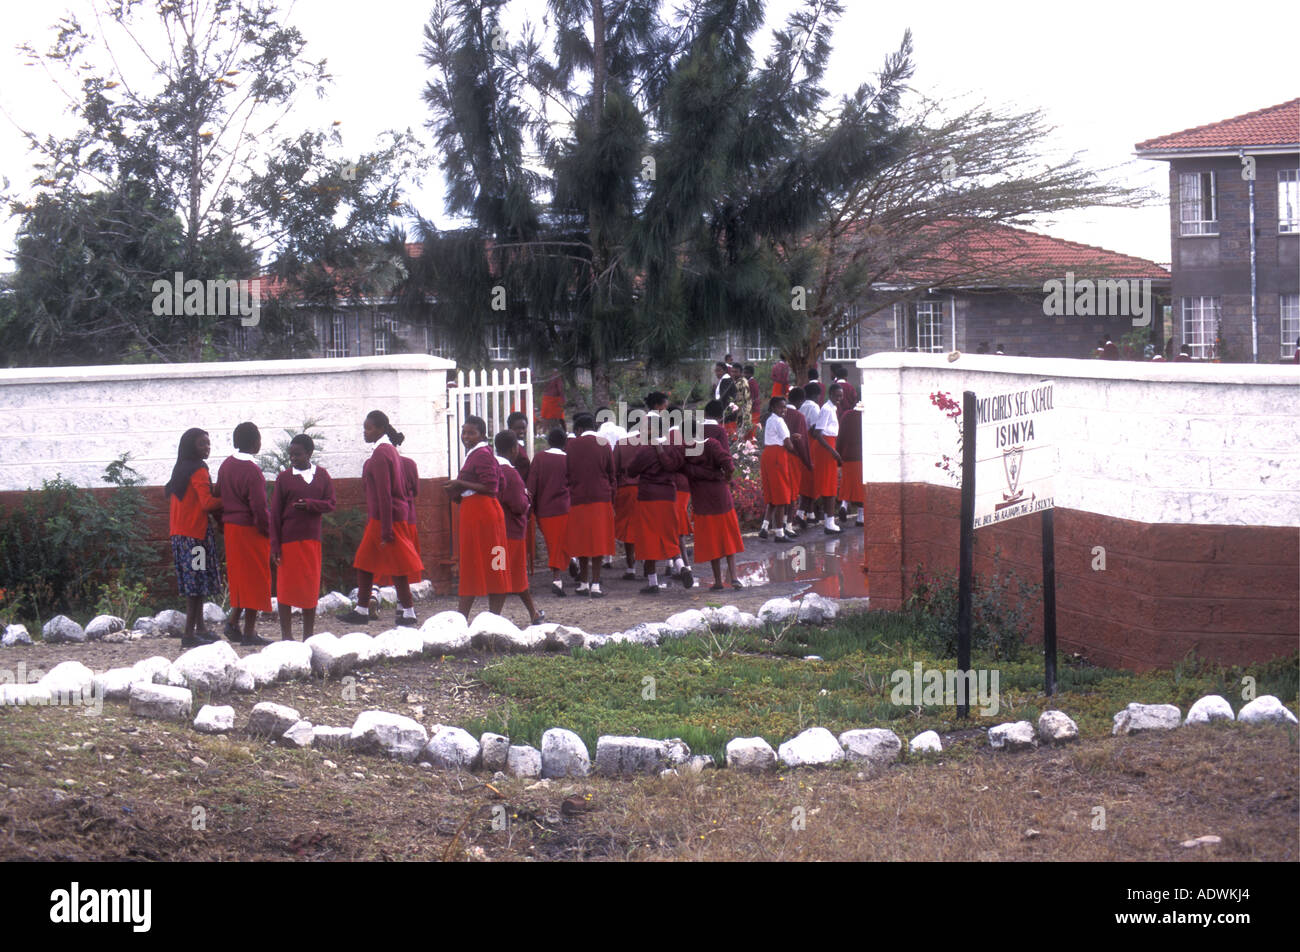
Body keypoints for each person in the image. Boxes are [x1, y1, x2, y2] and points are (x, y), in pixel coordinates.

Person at [336, 410, 422, 626]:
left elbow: (384, 493)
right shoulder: (389, 450)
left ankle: (367, 609)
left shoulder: (380, 454)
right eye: (365, 428)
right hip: (393, 515)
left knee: (371, 562)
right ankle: (373, 609)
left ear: (381, 429)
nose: (365, 432)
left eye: (369, 428)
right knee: (377, 563)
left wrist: (385, 529)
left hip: (384, 518)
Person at [269, 434, 337, 641]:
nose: (293, 458)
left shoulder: (322, 476)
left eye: (297, 454)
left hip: (311, 541)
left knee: (309, 587)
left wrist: (310, 504)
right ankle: (287, 637)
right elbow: (275, 514)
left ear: (309, 453)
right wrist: (275, 545)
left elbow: (331, 503)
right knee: (285, 588)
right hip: (289, 541)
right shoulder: (284, 478)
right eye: (291, 454)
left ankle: (308, 636)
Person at [443, 415, 510, 618]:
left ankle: (466, 618)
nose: (466, 437)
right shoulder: (480, 453)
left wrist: (461, 485)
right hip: (480, 512)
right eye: (464, 432)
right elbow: (502, 481)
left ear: (482, 435)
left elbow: (492, 486)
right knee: (492, 563)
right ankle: (489, 617)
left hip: (482, 514)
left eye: (471, 433)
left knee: (481, 564)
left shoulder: (481, 454)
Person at [626, 394, 693, 592]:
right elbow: (677, 466)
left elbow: (631, 471)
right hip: (669, 495)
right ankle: (682, 566)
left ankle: (653, 583)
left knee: (648, 539)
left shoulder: (645, 450)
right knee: (670, 535)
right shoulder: (673, 447)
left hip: (648, 497)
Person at [217, 422, 274, 646]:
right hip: (250, 529)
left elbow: (219, 493)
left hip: (231, 529)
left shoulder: (226, 465)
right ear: (254, 443)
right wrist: (268, 530)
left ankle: (233, 623)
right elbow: (259, 507)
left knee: (240, 578)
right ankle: (249, 632)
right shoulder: (253, 471)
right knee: (256, 578)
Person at [165, 428, 223, 647]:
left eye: (208, 443)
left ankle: (201, 628)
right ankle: (189, 634)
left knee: (195, 582)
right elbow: (207, 503)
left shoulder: (180, 469)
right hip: (195, 538)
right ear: (191, 447)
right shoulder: (199, 469)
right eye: (202, 444)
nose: (207, 447)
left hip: (180, 536)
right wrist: (229, 497)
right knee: (196, 584)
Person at [682, 428, 744, 590]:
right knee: (727, 536)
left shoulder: (685, 451)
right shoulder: (712, 445)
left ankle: (718, 581)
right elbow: (729, 465)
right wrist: (726, 478)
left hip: (702, 501)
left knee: (712, 541)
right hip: (720, 496)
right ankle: (734, 578)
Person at [564, 412, 618, 596]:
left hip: (578, 498)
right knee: (598, 542)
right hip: (601, 498)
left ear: (578, 430)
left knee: (582, 541)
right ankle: (596, 584)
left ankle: (583, 583)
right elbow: (612, 473)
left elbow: (567, 473)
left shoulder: (572, 446)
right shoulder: (604, 444)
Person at [494, 431, 545, 625]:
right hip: (512, 533)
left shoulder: (491, 468)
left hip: (496, 533)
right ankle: (495, 618)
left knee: (502, 572)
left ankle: (533, 613)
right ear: (514, 449)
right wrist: (527, 498)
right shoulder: (511, 473)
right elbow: (519, 505)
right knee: (512, 574)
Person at [527, 426, 572, 597]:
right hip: (564, 507)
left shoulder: (539, 458)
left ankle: (557, 578)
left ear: (548, 441)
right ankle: (563, 570)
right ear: (565, 443)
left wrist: (530, 506)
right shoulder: (568, 459)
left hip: (544, 509)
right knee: (562, 541)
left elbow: (532, 484)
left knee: (552, 544)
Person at [759, 396, 796, 540]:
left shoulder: (769, 419)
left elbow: (778, 437)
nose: (784, 410)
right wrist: (794, 447)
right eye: (781, 407)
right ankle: (780, 532)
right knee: (781, 495)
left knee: (773, 494)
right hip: (777, 456)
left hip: (768, 454)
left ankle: (765, 526)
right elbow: (787, 443)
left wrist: (791, 438)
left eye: (785, 407)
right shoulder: (780, 421)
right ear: (773, 408)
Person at [810, 382, 844, 534]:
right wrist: (833, 451)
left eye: (841, 396)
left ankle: (829, 521)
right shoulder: (826, 409)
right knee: (828, 486)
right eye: (836, 396)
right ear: (830, 394)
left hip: (829, 446)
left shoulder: (832, 408)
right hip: (825, 449)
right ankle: (829, 523)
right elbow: (818, 433)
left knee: (830, 485)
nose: (839, 398)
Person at [782, 387, 813, 539]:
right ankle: (788, 525)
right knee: (793, 493)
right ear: (800, 401)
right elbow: (802, 443)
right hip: (793, 458)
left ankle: (780, 524)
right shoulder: (798, 416)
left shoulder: (777, 414)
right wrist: (808, 462)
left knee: (782, 491)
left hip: (779, 456)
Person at [794, 383, 822, 526]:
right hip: (812, 444)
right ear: (816, 395)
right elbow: (815, 429)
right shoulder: (814, 407)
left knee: (806, 481)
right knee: (812, 481)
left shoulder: (803, 406)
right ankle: (801, 513)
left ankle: (810, 514)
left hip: (803, 442)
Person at [837, 400, 865, 526]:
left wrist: (839, 455)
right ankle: (860, 517)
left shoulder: (846, 415)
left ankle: (844, 504)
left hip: (846, 455)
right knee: (860, 486)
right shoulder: (865, 417)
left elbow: (840, 436)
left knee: (847, 482)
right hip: (861, 455)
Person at [727, 363, 752, 441]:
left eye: (736, 372)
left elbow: (745, 400)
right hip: (738, 412)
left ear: (741, 373)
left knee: (742, 436)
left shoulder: (742, 382)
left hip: (743, 413)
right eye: (732, 371)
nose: (733, 373)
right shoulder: (735, 382)